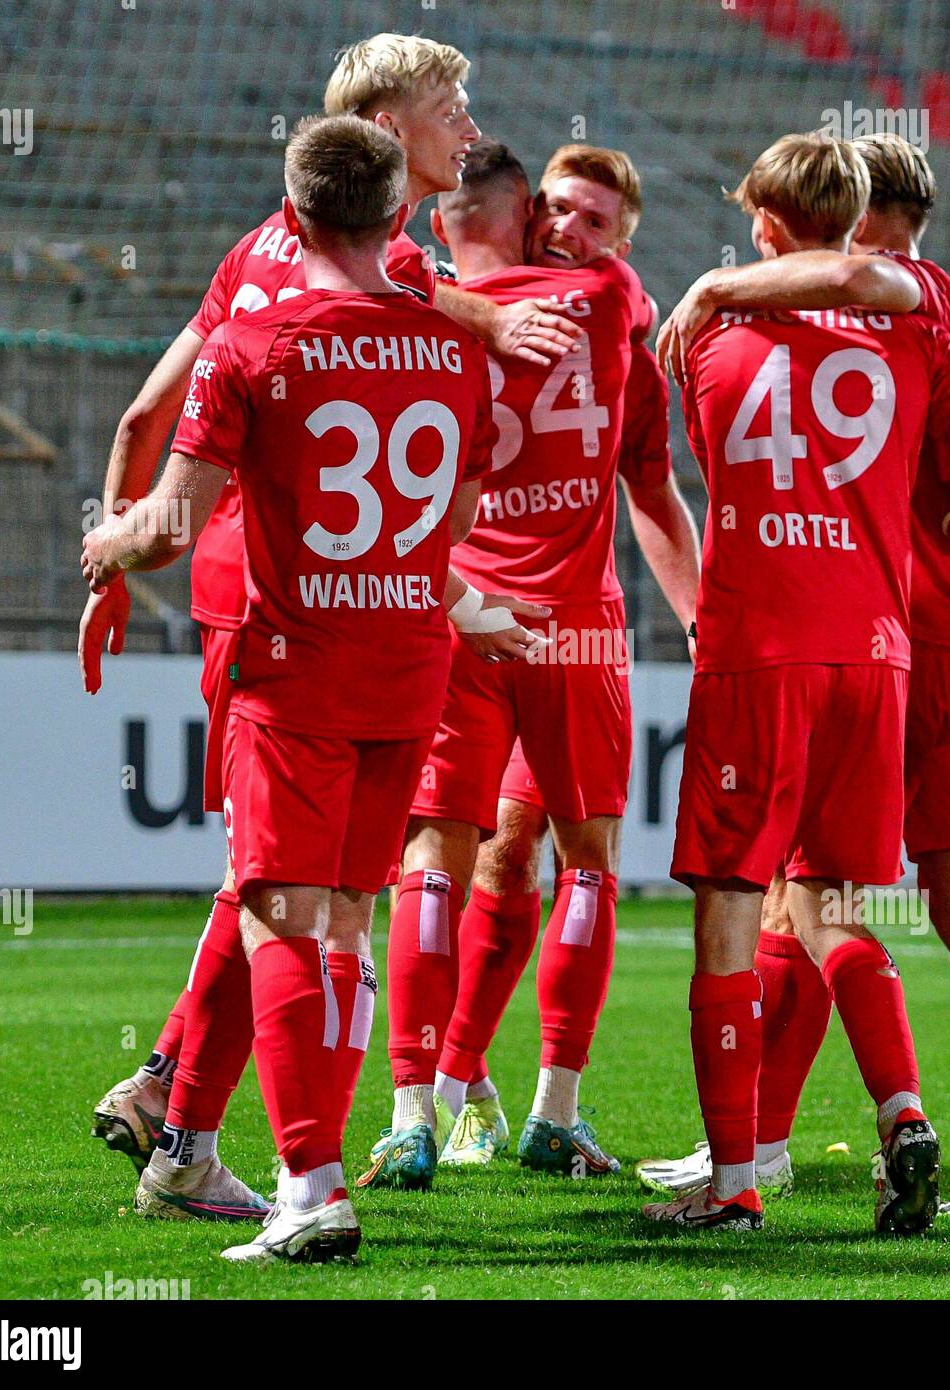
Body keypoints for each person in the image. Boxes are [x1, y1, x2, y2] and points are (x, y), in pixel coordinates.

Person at [84, 33, 582, 1217]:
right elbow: (187, 408)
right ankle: (219, 1127)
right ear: (380, 124)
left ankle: (180, 1107)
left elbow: (150, 411)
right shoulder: (381, 294)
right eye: (445, 104)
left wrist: (110, 548)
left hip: (293, 586)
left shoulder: (293, 256)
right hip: (278, 597)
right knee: (284, 891)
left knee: (277, 886)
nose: (467, 124)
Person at [639, 132, 950, 1224]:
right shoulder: (935, 317)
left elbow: (836, 285)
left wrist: (713, 283)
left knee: (785, 898)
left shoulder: (876, 298)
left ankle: (763, 1156)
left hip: (868, 630)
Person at [359, 142, 669, 1189]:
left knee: (432, 860)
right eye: (560, 212)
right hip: (576, 622)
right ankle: (552, 1107)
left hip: (459, 611)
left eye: (594, 220)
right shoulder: (614, 295)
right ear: (529, 209)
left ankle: (411, 1110)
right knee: (585, 860)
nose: (572, 232)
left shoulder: (419, 307)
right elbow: (651, 477)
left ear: (441, 217)